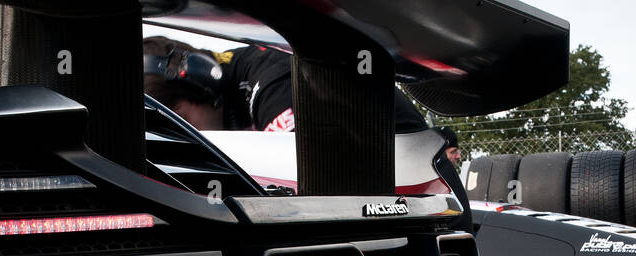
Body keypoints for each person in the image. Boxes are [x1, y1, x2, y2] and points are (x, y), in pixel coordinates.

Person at [142, 36, 430, 134]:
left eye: (182, 120)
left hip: (423, 182)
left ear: (200, 85)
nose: (189, 135)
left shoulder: (267, 79)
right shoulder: (230, 99)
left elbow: (297, 178)